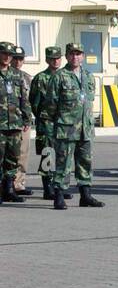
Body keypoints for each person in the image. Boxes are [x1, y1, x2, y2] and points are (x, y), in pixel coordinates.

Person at [47, 43, 103, 209]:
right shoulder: (59, 76)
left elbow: (89, 100)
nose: (75, 57)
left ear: (83, 56)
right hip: (66, 129)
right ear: (67, 56)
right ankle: (58, 195)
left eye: (78, 54)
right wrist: (53, 126)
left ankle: (85, 195)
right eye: (72, 54)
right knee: (63, 164)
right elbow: (51, 104)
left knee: (85, 162)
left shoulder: (88, 76)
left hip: (85, 128)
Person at [28, 45, 63, 200]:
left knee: (62, 156)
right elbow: (34, 102)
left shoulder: (65, 76)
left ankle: (59, 187)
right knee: (47, 155)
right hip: (47, 123)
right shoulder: (41, 78)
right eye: (52, 58)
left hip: (63, 123)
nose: (55, 61)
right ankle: (48, 189)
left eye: (57, 58)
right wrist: (44, 118)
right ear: (47, 60)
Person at [0, 42, 32, 204]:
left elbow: (23, 99)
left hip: (14, 124)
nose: (7, 57)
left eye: (10, 55)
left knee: (13, 158)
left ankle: (9, 190)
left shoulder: (17, 75)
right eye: (4, 54)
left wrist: (27, 118)